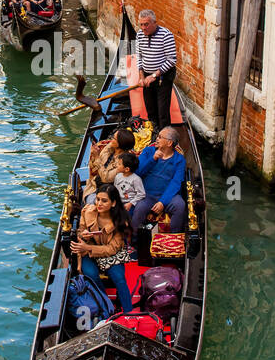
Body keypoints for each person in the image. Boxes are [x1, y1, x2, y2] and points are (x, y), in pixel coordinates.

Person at [69, 186, 135, 314]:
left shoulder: (121, 221)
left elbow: (111, 249)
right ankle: (107, 307)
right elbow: (80, 231)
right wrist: (84, 235)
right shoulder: (87, 211)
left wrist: (88, 247)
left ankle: (129, 314)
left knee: (119, 278)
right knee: (91, 275)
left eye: (104, 201)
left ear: (113, 203)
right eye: (97, 199)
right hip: (88, 252)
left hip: (110, 253)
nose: (99, 203)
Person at [129, 126, 187, 233]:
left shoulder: (179, 160)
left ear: (169, 143)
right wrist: (153, 159)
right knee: (139, 209)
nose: (156, 139)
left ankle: (174, 239)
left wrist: (162, 202)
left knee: (180, 205)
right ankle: (133, 243)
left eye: (160, 137)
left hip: (169, 196)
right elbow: (137, 173)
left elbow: (176, 183)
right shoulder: (148, 152)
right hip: (147, 195)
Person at [135, 9, 178, 130]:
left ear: (154, 23)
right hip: (147, 75)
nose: (143, 28)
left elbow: (171, 60)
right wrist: (142, 77)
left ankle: (165, 136)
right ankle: (154, 134)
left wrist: (153, 76)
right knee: (150, 108)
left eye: (146, 24)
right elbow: (139, 56)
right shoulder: (139, 34)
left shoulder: (166, 35)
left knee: (162, 110)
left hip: (163, 77)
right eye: (141, 24)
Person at [84, 128, 136, 203]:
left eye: (114, 138)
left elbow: (106, 178)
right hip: (93, 186)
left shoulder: (124, 162)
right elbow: (95, 167)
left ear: (120, 143)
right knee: (91, 202)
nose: (111, 139)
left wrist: (97, 157)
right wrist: (94, 155)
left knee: (93, 204)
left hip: (110, 192)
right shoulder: (109, 148)